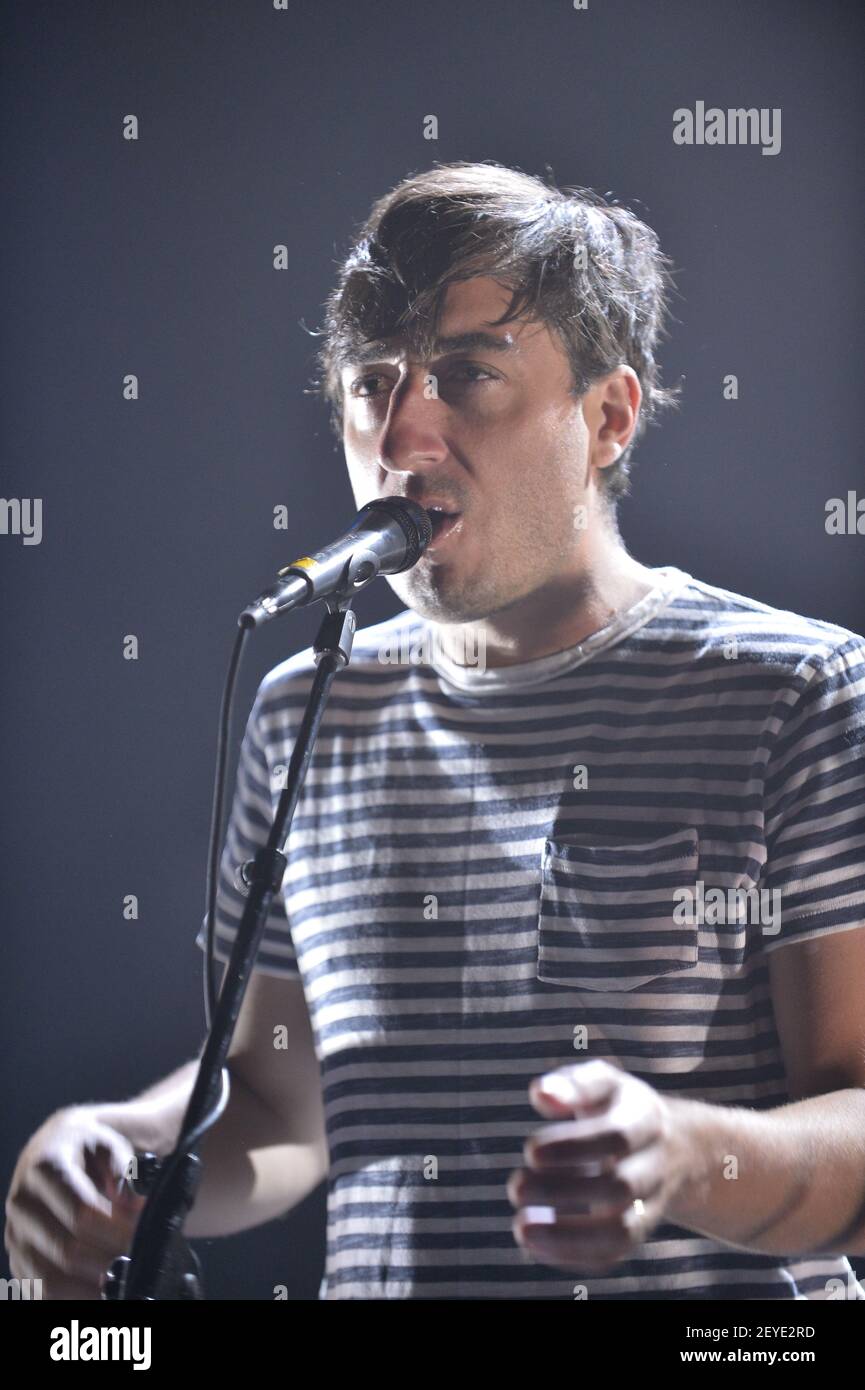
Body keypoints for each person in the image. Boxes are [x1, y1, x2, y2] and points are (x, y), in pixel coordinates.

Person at [6, 161, 865, 1300]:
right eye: (371, 383)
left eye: (467, 375)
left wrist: (679, 1156)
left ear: (608, 416)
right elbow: (277, 1106)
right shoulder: (303, 710)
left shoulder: (798, 691)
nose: (403, 434)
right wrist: (119, 1156)